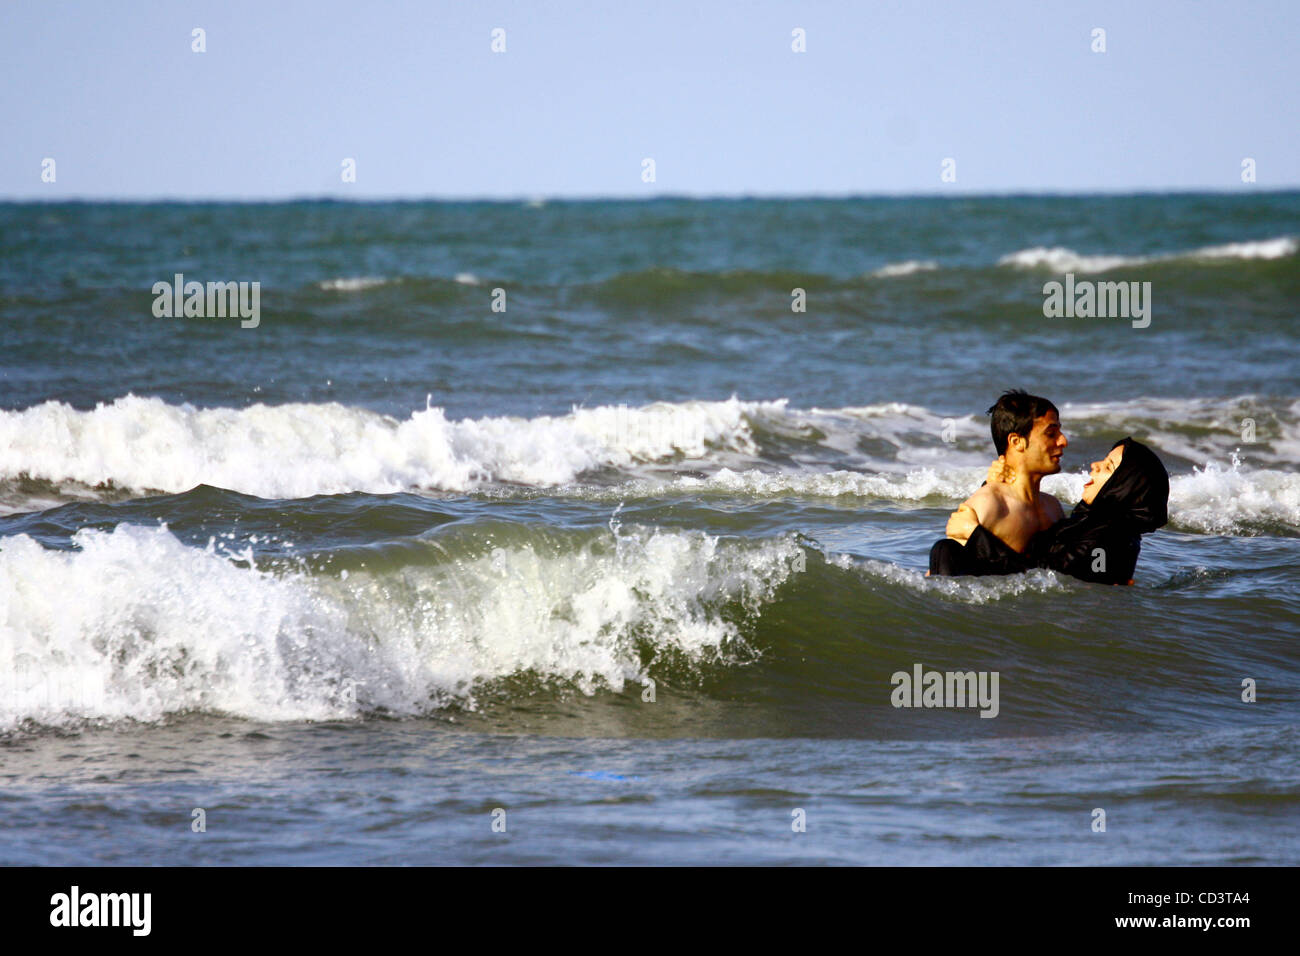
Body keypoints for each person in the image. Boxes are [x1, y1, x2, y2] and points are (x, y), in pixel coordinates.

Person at [943, 436, 1170, 585]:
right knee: (949, 553)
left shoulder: (1108, 536)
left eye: (1108, 467)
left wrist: (975, 536)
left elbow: (1047, 579)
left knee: (946, 552)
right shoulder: (1094, 522)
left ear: (1124, 486)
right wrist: (993, 487)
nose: (1095, 465)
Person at [928, 389, 1067, 576]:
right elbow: (945, 583)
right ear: (1017, 441)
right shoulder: (989, 505)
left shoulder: (1053, 507)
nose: (1063, 441)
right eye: (1051, 434)